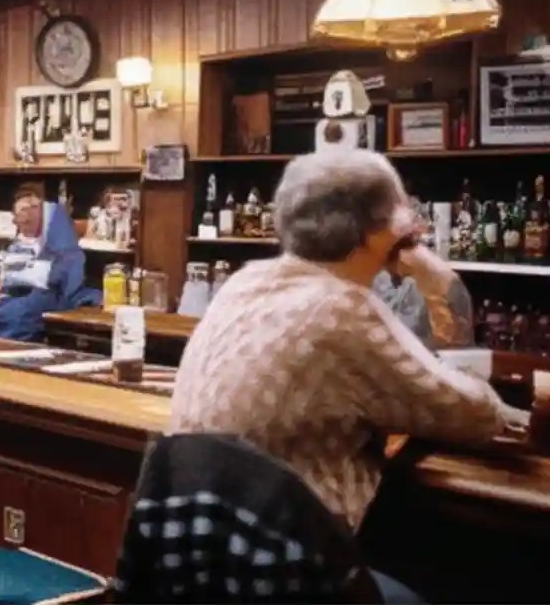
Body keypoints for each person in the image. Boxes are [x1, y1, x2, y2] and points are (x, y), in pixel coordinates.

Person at [169, 150, 518, 604]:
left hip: (195, 566)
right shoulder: (341, 310)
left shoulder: (245, 283)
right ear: (383, 229)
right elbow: (469, 413)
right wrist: (441, 280)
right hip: (283, 577)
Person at [0, 186, 99, 342]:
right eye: (20, 211)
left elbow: (65, 271)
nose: (24, 215)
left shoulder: (55, 222)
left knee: (22, 313)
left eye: (32, 207)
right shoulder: (20, 241)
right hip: (17, 302)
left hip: (45, 297)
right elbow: (9, 272)